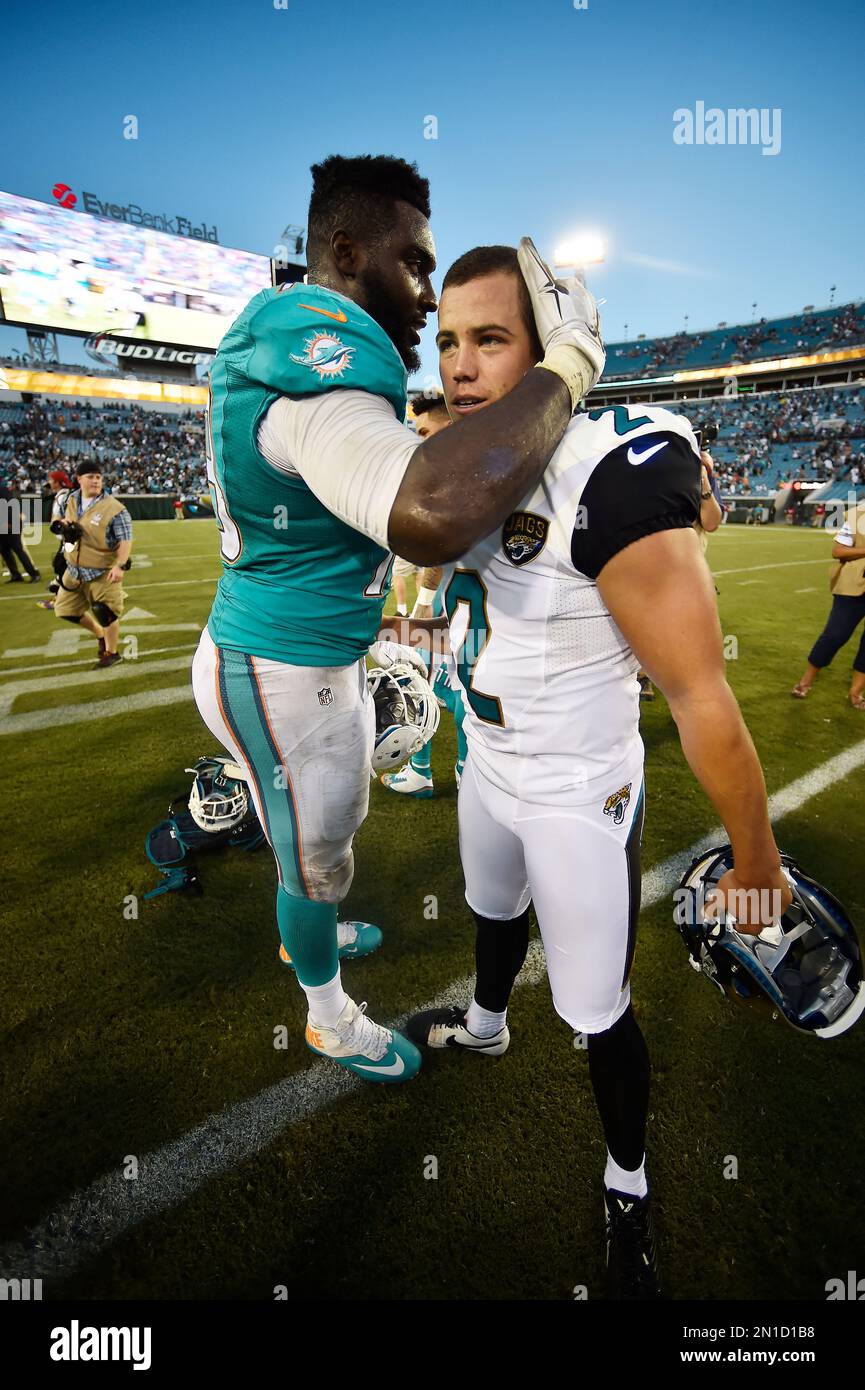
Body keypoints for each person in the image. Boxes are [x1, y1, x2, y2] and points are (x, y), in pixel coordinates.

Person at [405, 245, 791, 1297]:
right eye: (447, 340)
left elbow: (699, 694)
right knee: (489, 907)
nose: (461, 365)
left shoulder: (606, 467)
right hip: (486, 757)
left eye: (490, 337)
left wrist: (756, 852)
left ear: (549, 348)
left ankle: (627, 1179)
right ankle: (485, 1025)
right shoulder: (456, 455)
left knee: (596, 1007)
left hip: (579, 786)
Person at [190, 156, 605, 1085]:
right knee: (318, 849)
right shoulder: (321, 372)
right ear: (345, 252)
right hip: (275, 664)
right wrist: (570, 363)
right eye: (414, 263)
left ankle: (316, 927)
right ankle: (327, 1016)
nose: (425, 290)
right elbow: (426, 516)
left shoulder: (301, 346)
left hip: (294, 647)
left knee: (332, 829)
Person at [381, 392, 468, 796]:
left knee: (431, 684)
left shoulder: (457, 471)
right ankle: (466, 770)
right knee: (457, 688)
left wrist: (422, 604)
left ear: (451, 426)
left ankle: (420, 771)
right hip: (469, 609)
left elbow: (443, 545)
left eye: (426, 431)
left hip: (452, 613)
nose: (420, 439)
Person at [52, 460, 132, 669]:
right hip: (74, 569)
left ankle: (112, 652)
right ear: (79, 479)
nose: (95, 481)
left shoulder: (115, 508)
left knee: (106, 612)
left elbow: (125, 539)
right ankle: (99, 634)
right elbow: (61, 519)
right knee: (65, 610)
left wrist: (120, 565)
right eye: (90, 477)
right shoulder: (71, 499)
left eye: (98, 477)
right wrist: (63, 526)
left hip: (102, 571)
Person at [791, 498, 865, 708]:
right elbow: (838, 551)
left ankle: (856, 692)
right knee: (835, 634)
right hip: (853, 585)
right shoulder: (857, 514)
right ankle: (806, 680)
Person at [0, 475, 41, 584]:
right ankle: (16, 575)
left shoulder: (2, 490)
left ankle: (34, 573)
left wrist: (8, 522)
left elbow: (10, 505)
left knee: (17, 548)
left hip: (11, 523)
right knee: (4, 550)